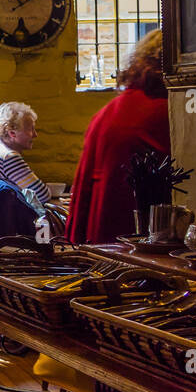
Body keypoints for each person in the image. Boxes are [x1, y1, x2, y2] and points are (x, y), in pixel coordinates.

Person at [66, 29, 171, 244]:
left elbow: (82, 190)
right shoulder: (166, 111)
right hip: (141, 242)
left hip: (102, 237)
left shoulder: (109, 111)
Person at [0, 102, 50, 212]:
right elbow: (42, 195)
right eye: (31, 129)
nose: (35, 134)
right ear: (12, 133)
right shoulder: (8, 156)